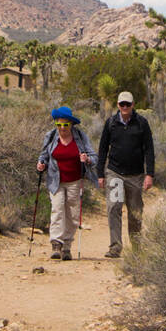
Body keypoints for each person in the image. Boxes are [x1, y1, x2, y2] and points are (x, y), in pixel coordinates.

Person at [96, 90, 154, 258]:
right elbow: (102, 149)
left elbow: (149, 150)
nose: (125, 107)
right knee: (114, 208)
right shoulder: (111, 123)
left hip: (135, 175)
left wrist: (149, 174)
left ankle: (136, 249)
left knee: (135, 211)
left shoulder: (142, 123)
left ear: (133, 105)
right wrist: (100, 174)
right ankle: (115, 246)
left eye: (128, 104)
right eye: (122, 104)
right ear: (118, 105)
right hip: (114, 172)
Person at [36, 106, 98, 260]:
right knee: (57, 210)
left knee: (72, 214)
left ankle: (67, 246)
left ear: (71, 124)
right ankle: (56, 244)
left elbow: (94, 157)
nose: (62, 128)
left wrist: (87, 159)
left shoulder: (81, 138)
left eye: (65, 125)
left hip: (75, 181)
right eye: (59, 125)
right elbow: (43, 155)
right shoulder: (50, 137)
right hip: (55, 180)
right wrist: (41, 164)